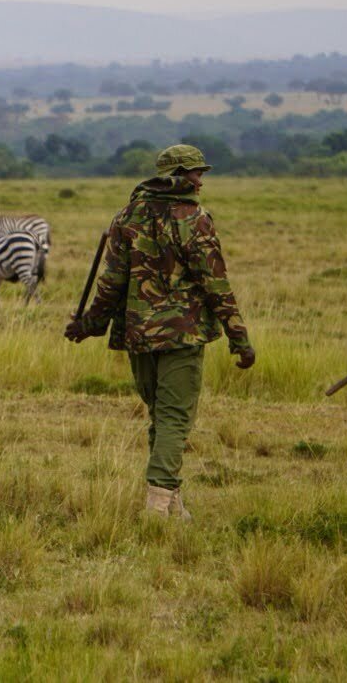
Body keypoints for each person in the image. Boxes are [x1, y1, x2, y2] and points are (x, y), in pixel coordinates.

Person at [65, 144, 255, 520]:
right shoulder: (193, 218)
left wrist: (88, 325)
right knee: (174, 417)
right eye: (195, 173)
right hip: (181, 336)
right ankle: (157, 507)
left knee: (161, 415)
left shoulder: (127, 216)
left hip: (139, 335)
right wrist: (239, 338)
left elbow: (111, 284)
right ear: (176, 176)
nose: (201, 180)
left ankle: (171, 505)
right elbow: (216, 284)